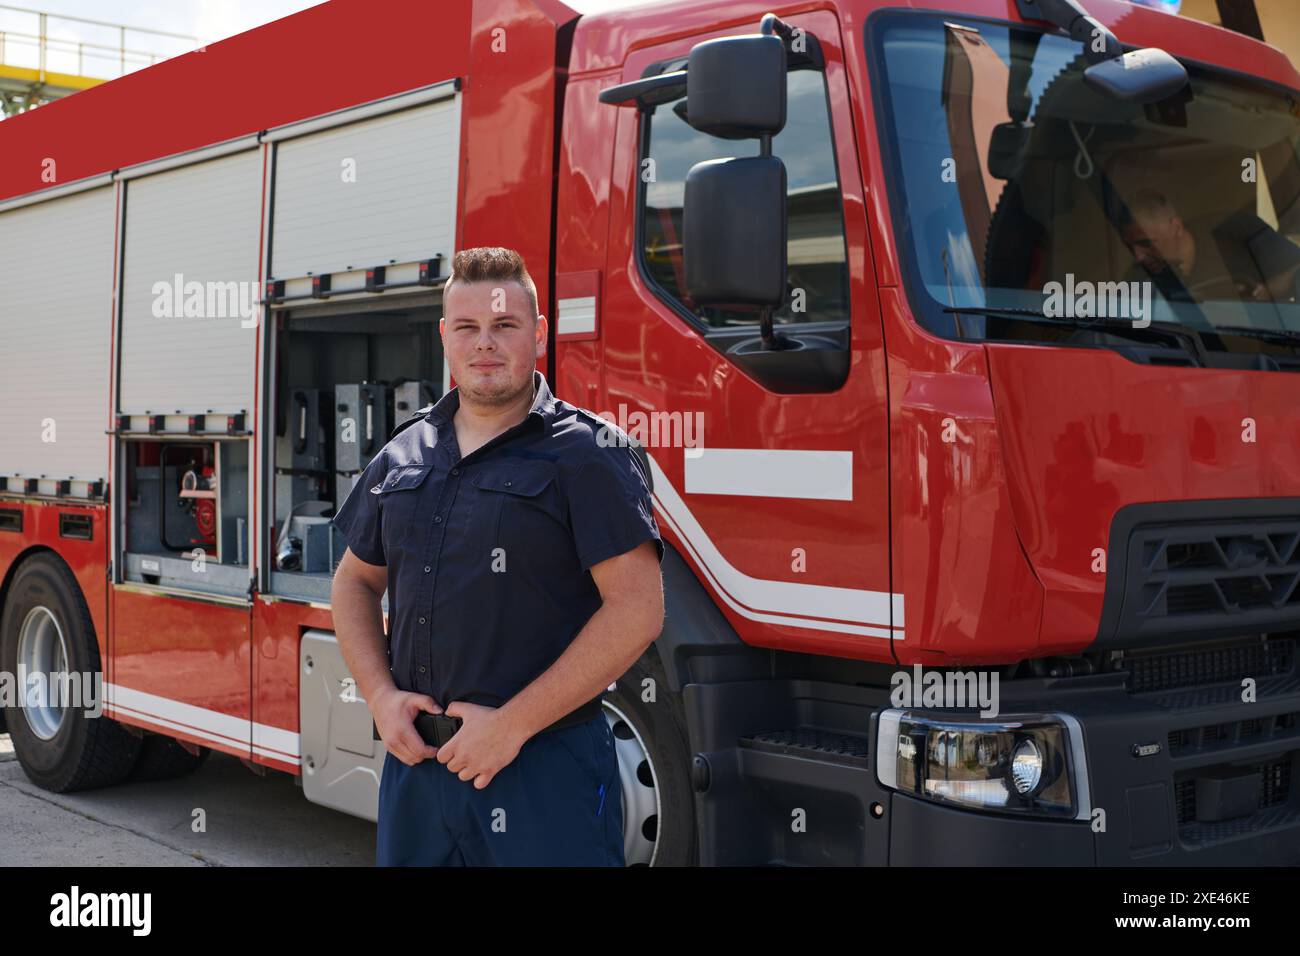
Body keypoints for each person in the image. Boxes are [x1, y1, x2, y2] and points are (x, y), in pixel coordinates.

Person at [330, 246, 665, 866]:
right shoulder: (402, 454)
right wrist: (379, 696)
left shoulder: (591, 453)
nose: (485, 344)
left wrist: (510, 726)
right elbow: (353, 583)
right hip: (419, 773)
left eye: (504, 325)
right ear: (445, 337)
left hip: (543, 773)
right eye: (468, 327)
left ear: (537, 334)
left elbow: (637, 609)